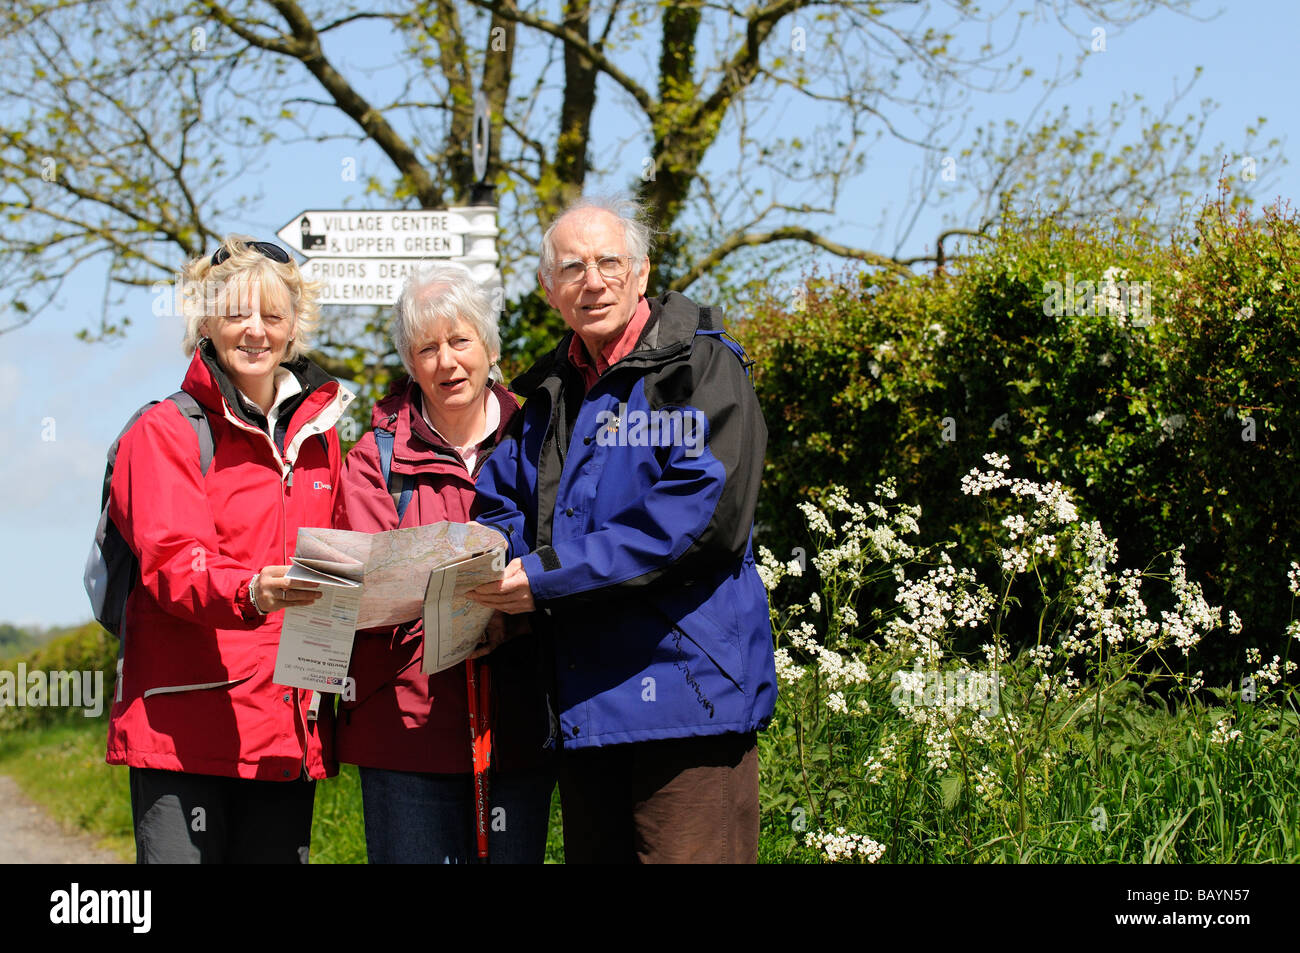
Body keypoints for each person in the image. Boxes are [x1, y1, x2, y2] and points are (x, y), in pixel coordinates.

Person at [468, 196, 778, 863]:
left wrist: (546, 576)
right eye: (573, 268)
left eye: (609, 261)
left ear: (641, 273)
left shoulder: (699, 366)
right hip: (585, 709)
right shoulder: (550, 393)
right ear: (549, 289)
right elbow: (500, 504)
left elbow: (701, 517)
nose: (593, 280)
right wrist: (488, 566)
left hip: (687, 699)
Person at [106, 236, 353, 863]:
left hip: (284, 728)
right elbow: (171, 562)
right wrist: (250, 589)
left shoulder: (323, 437)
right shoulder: (163, 430)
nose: (255, 331)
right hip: (185, 725)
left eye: (273, 316)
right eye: (238, 313)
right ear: (206, 318)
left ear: (295, 326)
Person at [332, 264, 554, 864]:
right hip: (405, 728)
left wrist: (520, 615)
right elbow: (363, 587)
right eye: (427, 348)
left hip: (516, 725)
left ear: (489, 346)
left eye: (460, 341)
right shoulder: (375, 458)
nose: (447, 362)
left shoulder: (541, 437)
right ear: (409, 360)